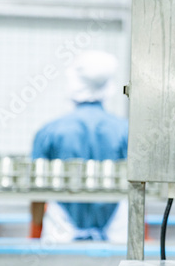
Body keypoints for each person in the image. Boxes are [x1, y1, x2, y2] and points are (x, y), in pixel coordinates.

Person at [30, 51, 128, 241]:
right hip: (116, 229)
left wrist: (34, 233)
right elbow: (138, 186)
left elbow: (37, 190)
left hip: (61, 229)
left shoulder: (51, 131)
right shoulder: (125, 130)